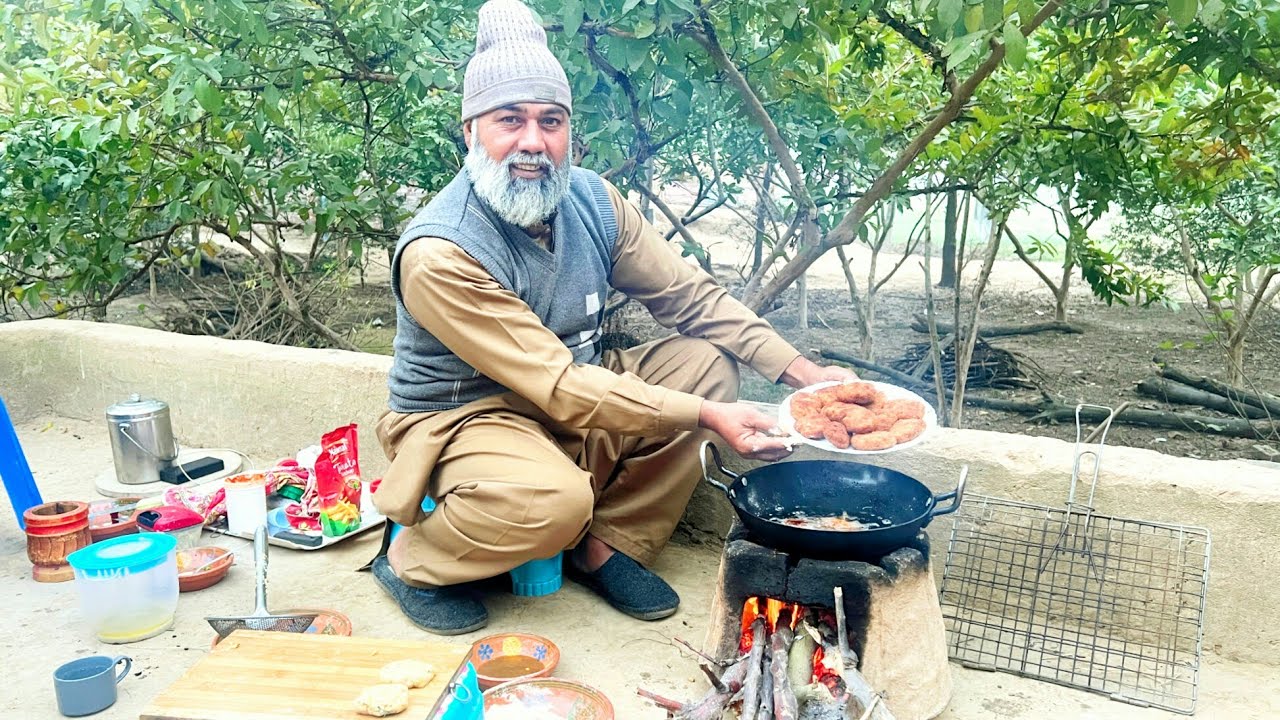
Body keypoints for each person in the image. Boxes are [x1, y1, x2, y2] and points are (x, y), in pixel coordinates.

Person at [371, 0, 857, 635]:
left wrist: (805, 376)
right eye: (509, 120)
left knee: (707, 365)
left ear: (570, 132)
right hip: (468, 417)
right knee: (554, 499)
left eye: (551, 121)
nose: (533, 142)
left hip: (574, 393)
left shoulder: (593, 201)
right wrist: (708, 418)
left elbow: (691, 297)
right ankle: (410, 561)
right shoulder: (442, 252)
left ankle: (605, 544)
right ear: (470, 131)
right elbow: (557, 384)